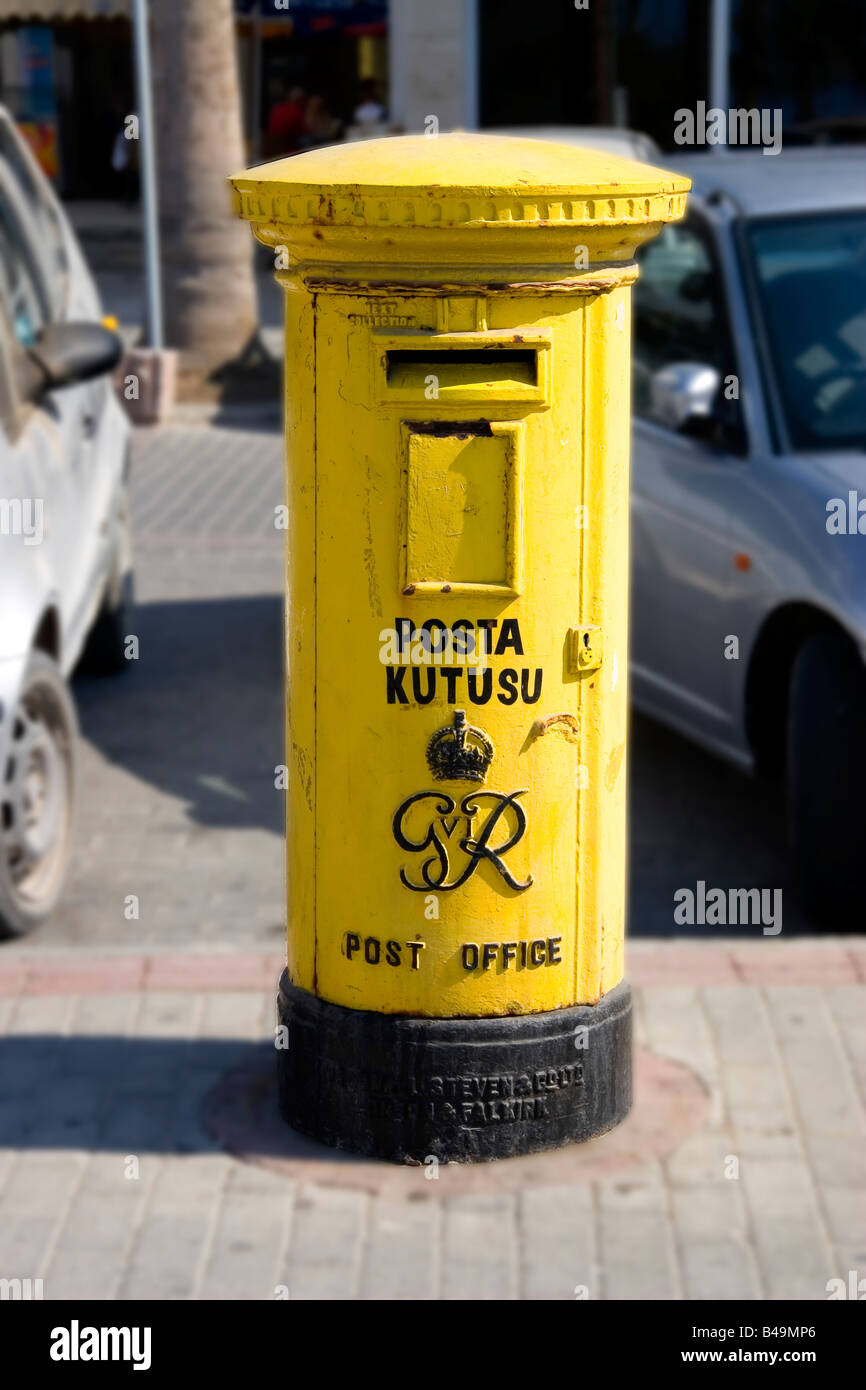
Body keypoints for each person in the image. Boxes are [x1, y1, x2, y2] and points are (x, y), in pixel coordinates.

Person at [266, 86, 307, 157]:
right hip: (290, 152)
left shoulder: (277, 108)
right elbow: (304, 132)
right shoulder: (296, 111)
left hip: (273, 151)